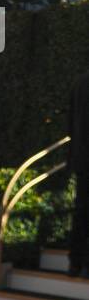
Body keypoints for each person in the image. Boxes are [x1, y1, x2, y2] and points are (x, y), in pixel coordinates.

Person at [67, 67, 89, 278]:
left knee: (81, 210)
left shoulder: (79, 82)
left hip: (82, 159)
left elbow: (70, 125)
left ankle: (75, 262)